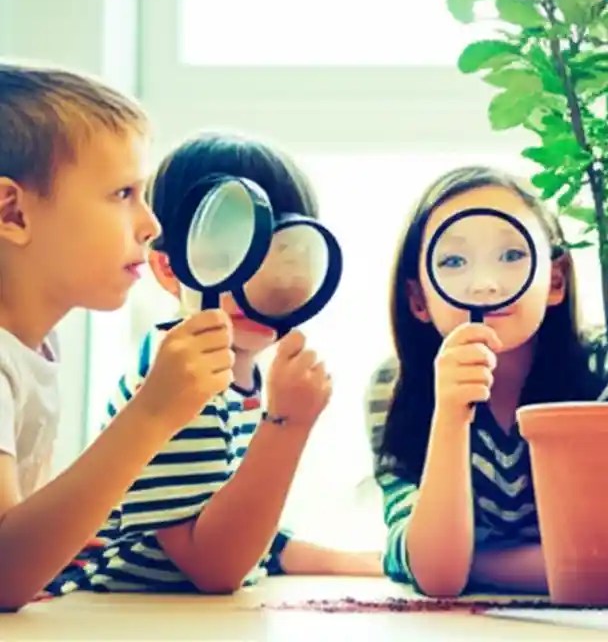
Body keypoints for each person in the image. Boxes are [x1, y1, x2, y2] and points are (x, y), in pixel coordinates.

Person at [48, 133, 378, 596]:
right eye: (228, 256)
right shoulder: (179, 376)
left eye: (283, 255)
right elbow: (214, 567)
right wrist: (287, 423)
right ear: (168, 268)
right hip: (111, 613)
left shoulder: (242, 376)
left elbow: (249, 535)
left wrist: (365, 562)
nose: (260, 281)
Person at [0, 62, 232, 609]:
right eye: (123, 193)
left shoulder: (34, 349)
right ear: (13, 211)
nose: (150, 223)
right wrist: (153, 413)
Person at [368, 165, 608, 597]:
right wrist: (450, 415)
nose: (484, 285)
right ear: (418, 299)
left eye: (513, 255)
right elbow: (439, 575)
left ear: (556, 279)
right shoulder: (396, 387)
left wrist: (477, 564)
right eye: (453, 261)